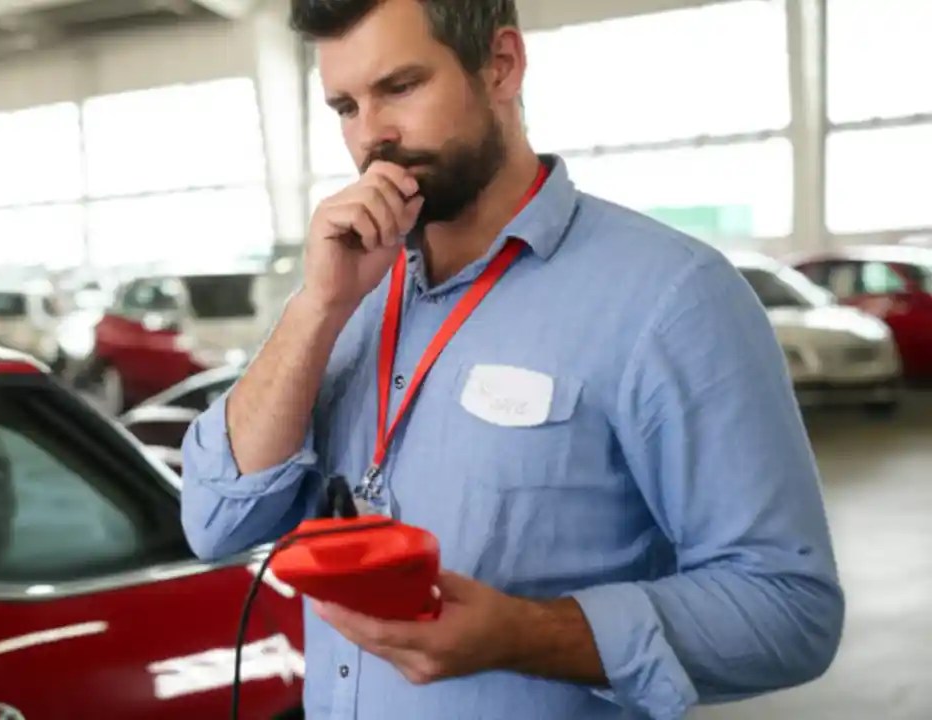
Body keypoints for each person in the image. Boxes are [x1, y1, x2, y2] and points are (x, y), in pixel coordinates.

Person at [179, 1, 844, 718]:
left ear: (501, 65)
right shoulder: (345, 288)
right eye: (346, 106)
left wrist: (528, 635)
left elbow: (789, 609)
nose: (372, 135)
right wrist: (317, 308)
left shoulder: (672, 297)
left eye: (400, 87)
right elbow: (216, 522)